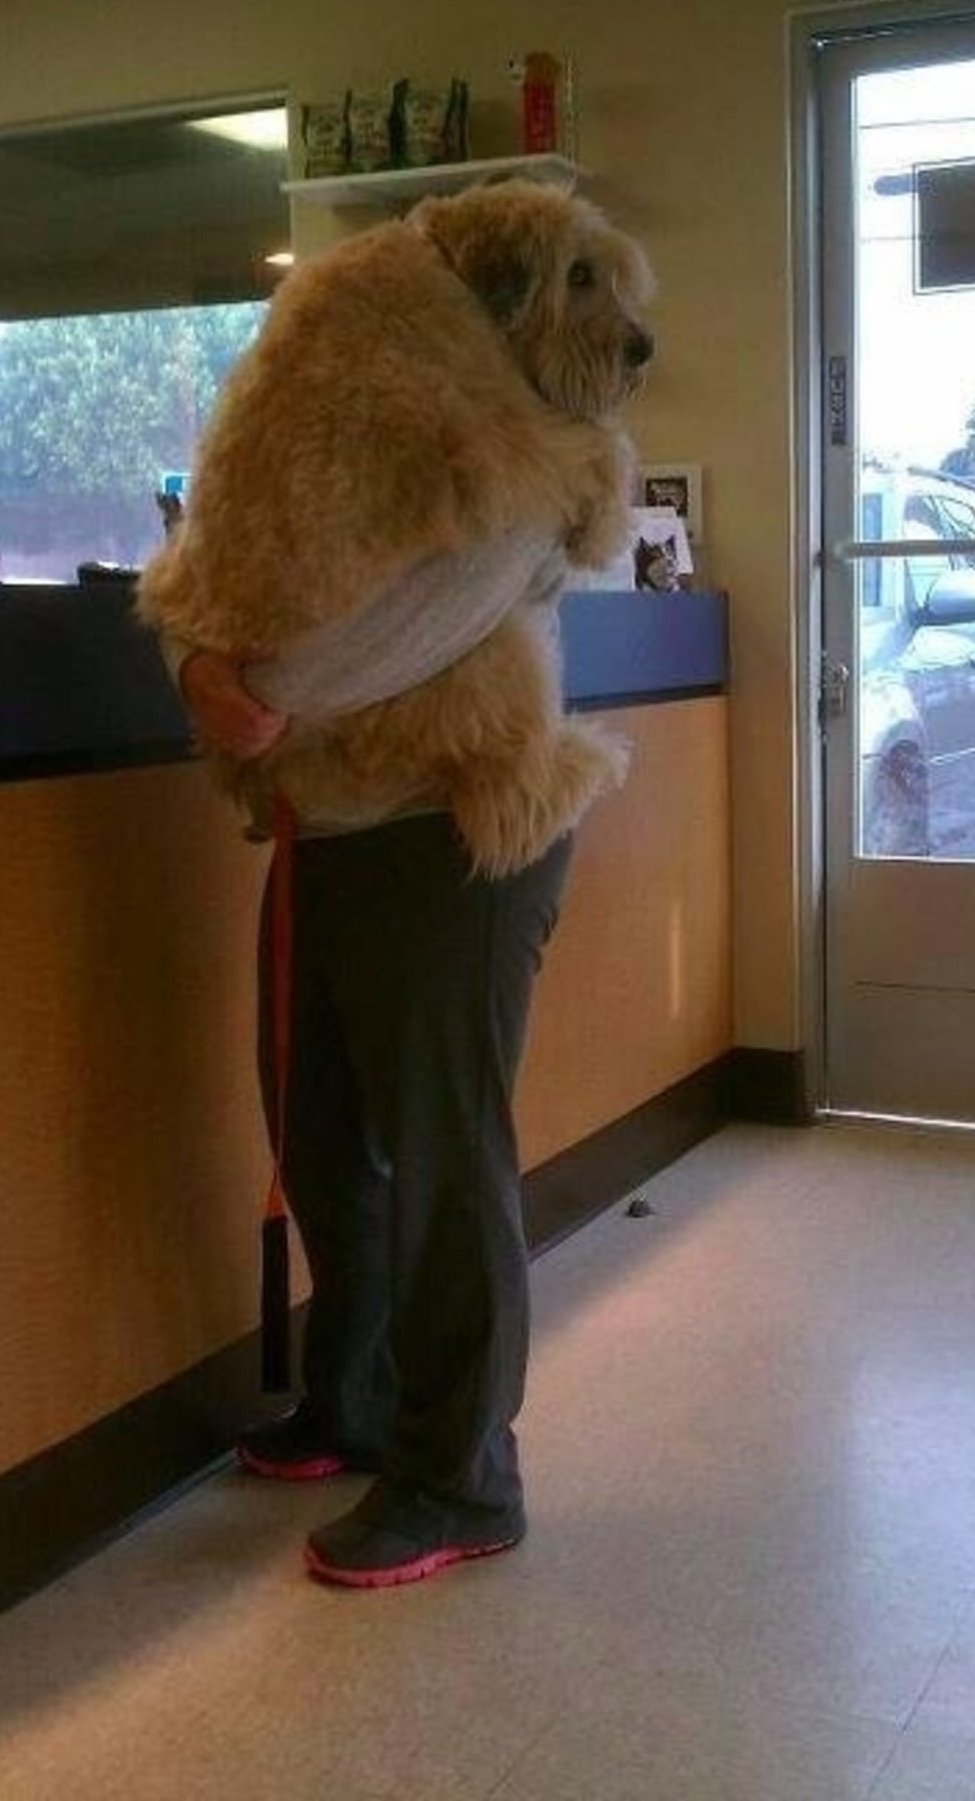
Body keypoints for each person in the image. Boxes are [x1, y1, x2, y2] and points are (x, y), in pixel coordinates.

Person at [170, 526, 582, 1589]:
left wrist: (245, 683)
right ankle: (357, 1400)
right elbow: (197, 574)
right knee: (315, 1133)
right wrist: (192, 661)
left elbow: (441, 602)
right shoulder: (299, 437)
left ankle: (464, 1478)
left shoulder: (512, 436)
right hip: (328, 828)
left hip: (452, 822)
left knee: (443, 1155)